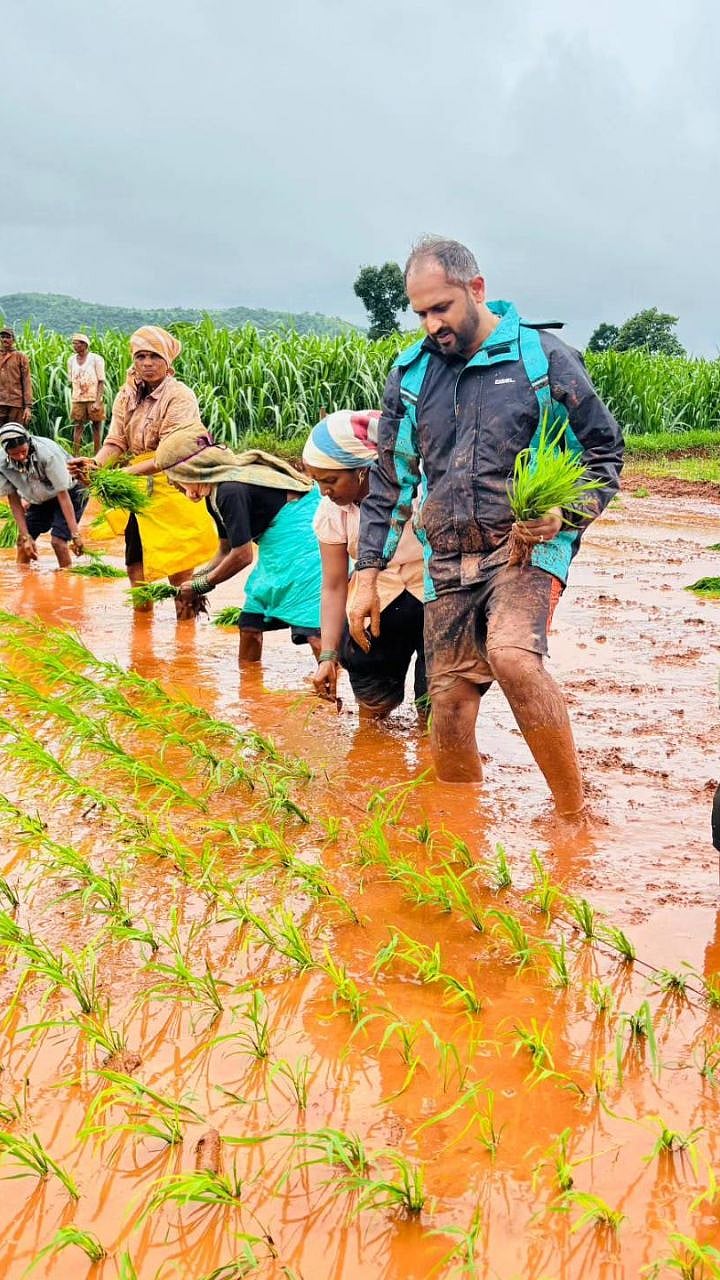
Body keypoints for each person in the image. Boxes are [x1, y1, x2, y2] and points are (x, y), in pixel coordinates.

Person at [349, 237, 624, 820]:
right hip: (447, 557)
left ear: (476, 289)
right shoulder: (412, 375)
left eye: (441, 307)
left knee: (514, 658)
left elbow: (603, 454)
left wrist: (564, 516)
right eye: (420, 312)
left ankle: (574, 818)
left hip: (524, 548)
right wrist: (366, 573)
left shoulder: (540, 359)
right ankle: (458, 831)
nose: (431, 324)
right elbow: (391, 480)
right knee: (447, 703)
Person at [73, 325, 218, 620]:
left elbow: (170, 454)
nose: (147, 363)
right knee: (136, 570)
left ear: (168, 361)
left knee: (179, 576)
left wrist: (125, 473)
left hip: (174, 488)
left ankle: (185, 647)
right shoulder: (126, 396)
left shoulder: (180, 396)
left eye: (154, 356)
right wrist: (95, 465)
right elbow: (115, 441)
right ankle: (141, 649)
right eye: (140, 356)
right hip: (138, 492)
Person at [154, 424, 322, 662]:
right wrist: (196, 578)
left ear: (191, 472)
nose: (174, 486)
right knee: (251, 625)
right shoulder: (213, 495)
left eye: (175, 480)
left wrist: (201, 586)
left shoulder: (229, 490)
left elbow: (243, 555)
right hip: (277, 550)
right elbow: (225, 550)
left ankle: (333, 695)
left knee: (312, 628)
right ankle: (249, 695)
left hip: (303, 543)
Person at [302, 409, 426, 717]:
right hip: (373, 614)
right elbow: (332, 586)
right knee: (373, 713)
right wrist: (328, 656)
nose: (324, 491)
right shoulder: (332, 512)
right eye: (317, 481)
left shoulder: (423, 493)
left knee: (438, 709)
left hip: (434, 602)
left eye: (330, 480)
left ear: (363, 470)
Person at [0, 422, 86, 567]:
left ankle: (66, 581)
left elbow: (63, 495)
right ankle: (23, 582)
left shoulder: (48, 454)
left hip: (70, 493)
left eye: (23, 451)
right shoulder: (2, 464)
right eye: (14, 454)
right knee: (23, 543)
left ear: (28, 442)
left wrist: (75, 534)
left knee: (58, 542)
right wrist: (26, 535)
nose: (20, 457)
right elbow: (14, 501)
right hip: (41, 498)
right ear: (6, 452)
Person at [67, 333, 106, 454]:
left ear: (84, 344)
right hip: (77, 399)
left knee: (96, 426)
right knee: (78, 426)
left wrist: (98, 401)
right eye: (73, 343)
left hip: (93, 398)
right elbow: (71, 379)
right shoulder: (71, 360)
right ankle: (76, 454)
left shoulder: (95, 359)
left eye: (77, 343)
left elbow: (101, 381)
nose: (74, 346)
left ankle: (97, 454)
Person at [0, 328, 32, 427]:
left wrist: (28, 407)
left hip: (16, 403)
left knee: (15, 434)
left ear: (13, 339)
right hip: (0, 402)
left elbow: (26, 382)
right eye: (2, 337)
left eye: (8, 337)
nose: (5, 340)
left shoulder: (20, 357)